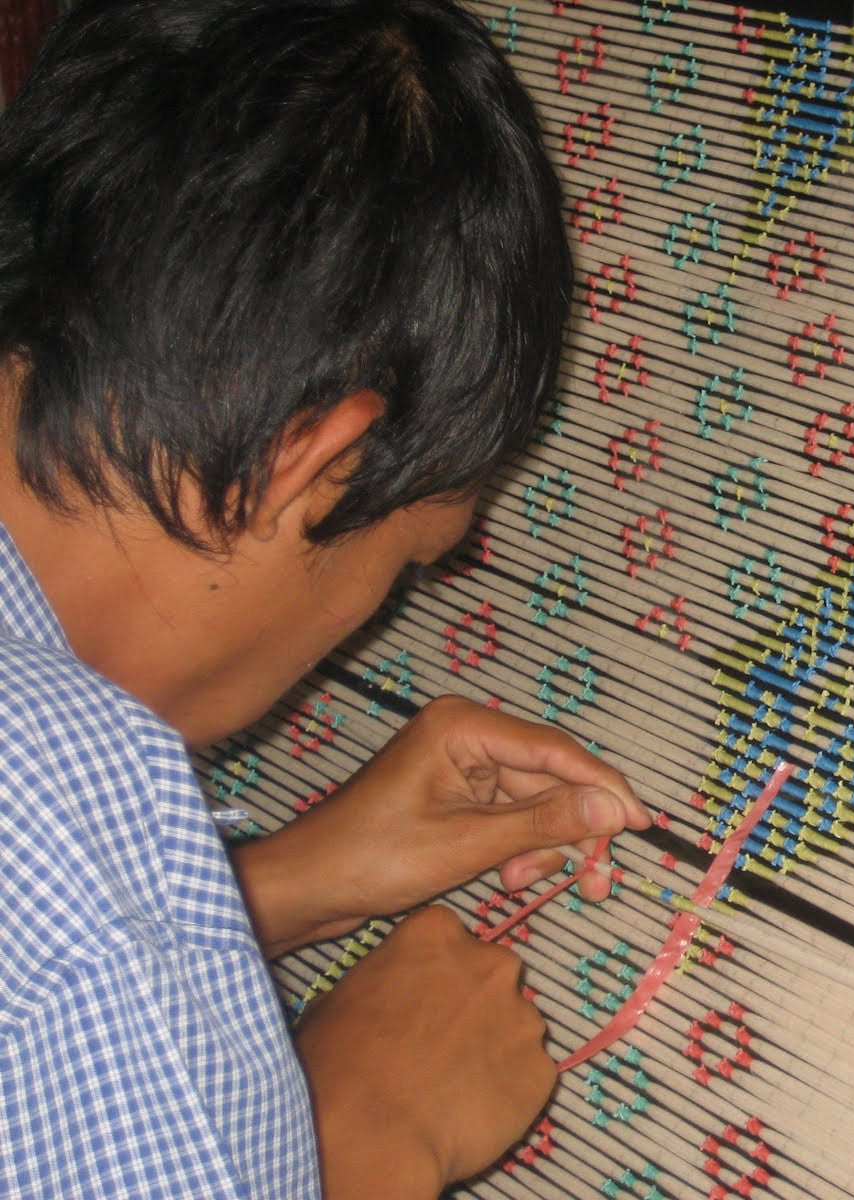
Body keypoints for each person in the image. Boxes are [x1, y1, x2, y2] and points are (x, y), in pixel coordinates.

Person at [0, 0, 650, 1196]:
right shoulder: (62, 777)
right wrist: (369, 1136)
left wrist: (269, 891)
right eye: (411, 560)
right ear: (306, 464)